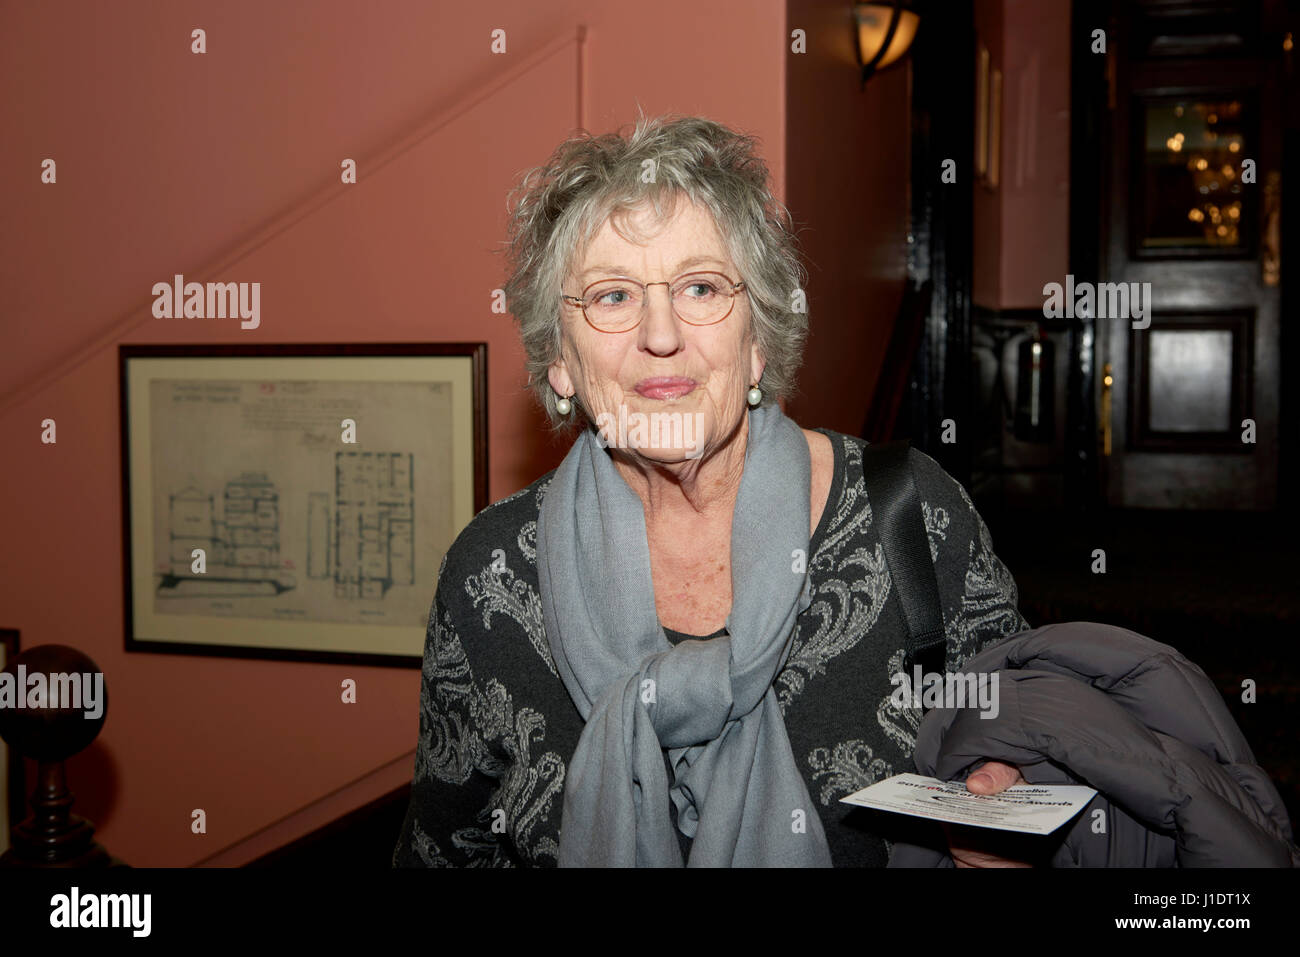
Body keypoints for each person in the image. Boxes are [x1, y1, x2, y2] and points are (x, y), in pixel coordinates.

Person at [393, 113, 1032, 867]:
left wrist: (1010, 801)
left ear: (757, 340)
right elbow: (443, 852)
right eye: (611, 296)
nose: (661, 332)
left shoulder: (911, 516)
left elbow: (1032, 738)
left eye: (700, 286)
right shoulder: (487, 576)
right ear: (560, 362)